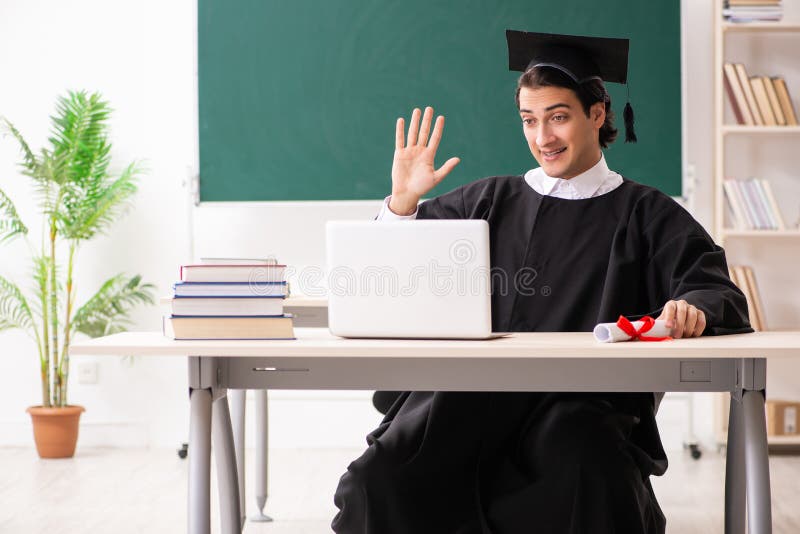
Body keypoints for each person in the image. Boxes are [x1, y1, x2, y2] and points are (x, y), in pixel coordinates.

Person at [332, 30, 752, 534]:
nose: (542, 138)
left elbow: (712, 288)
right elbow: (388, 276)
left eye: (558, 117)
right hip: (464, 399)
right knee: (378, 480)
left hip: (577, 405)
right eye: (529, 121)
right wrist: (402, 204)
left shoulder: (647, 214)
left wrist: (692, 309)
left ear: (597, 114)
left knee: (585, 471)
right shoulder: (487, 202)